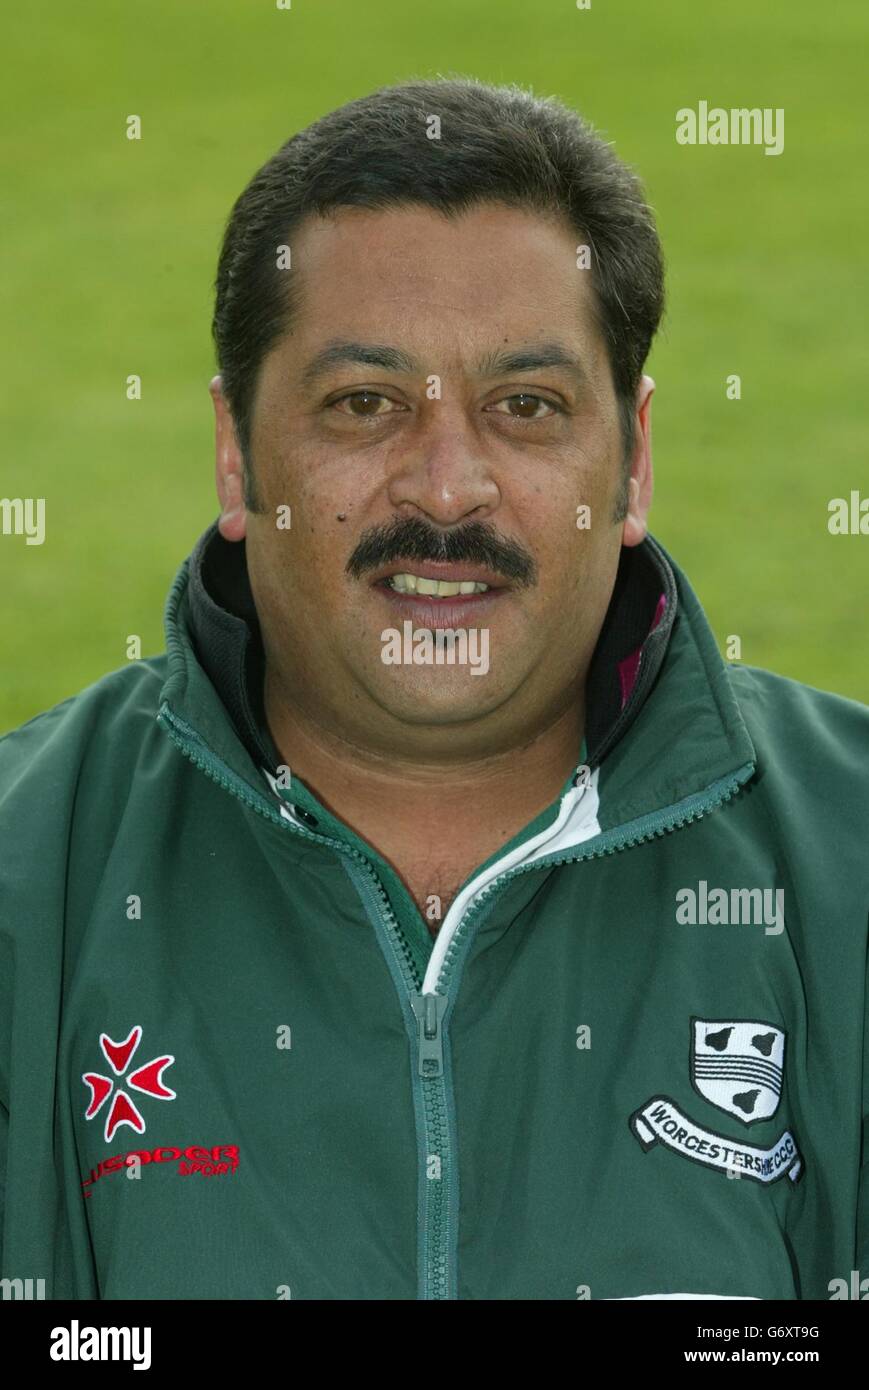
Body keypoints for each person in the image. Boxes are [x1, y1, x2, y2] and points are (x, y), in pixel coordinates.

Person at [1, 77, 866, 1302]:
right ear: (236, 456)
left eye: (525, 407)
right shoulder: (26, 873)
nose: (447, 488)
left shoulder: (849, 863)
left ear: (631, 463)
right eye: (365, 403)